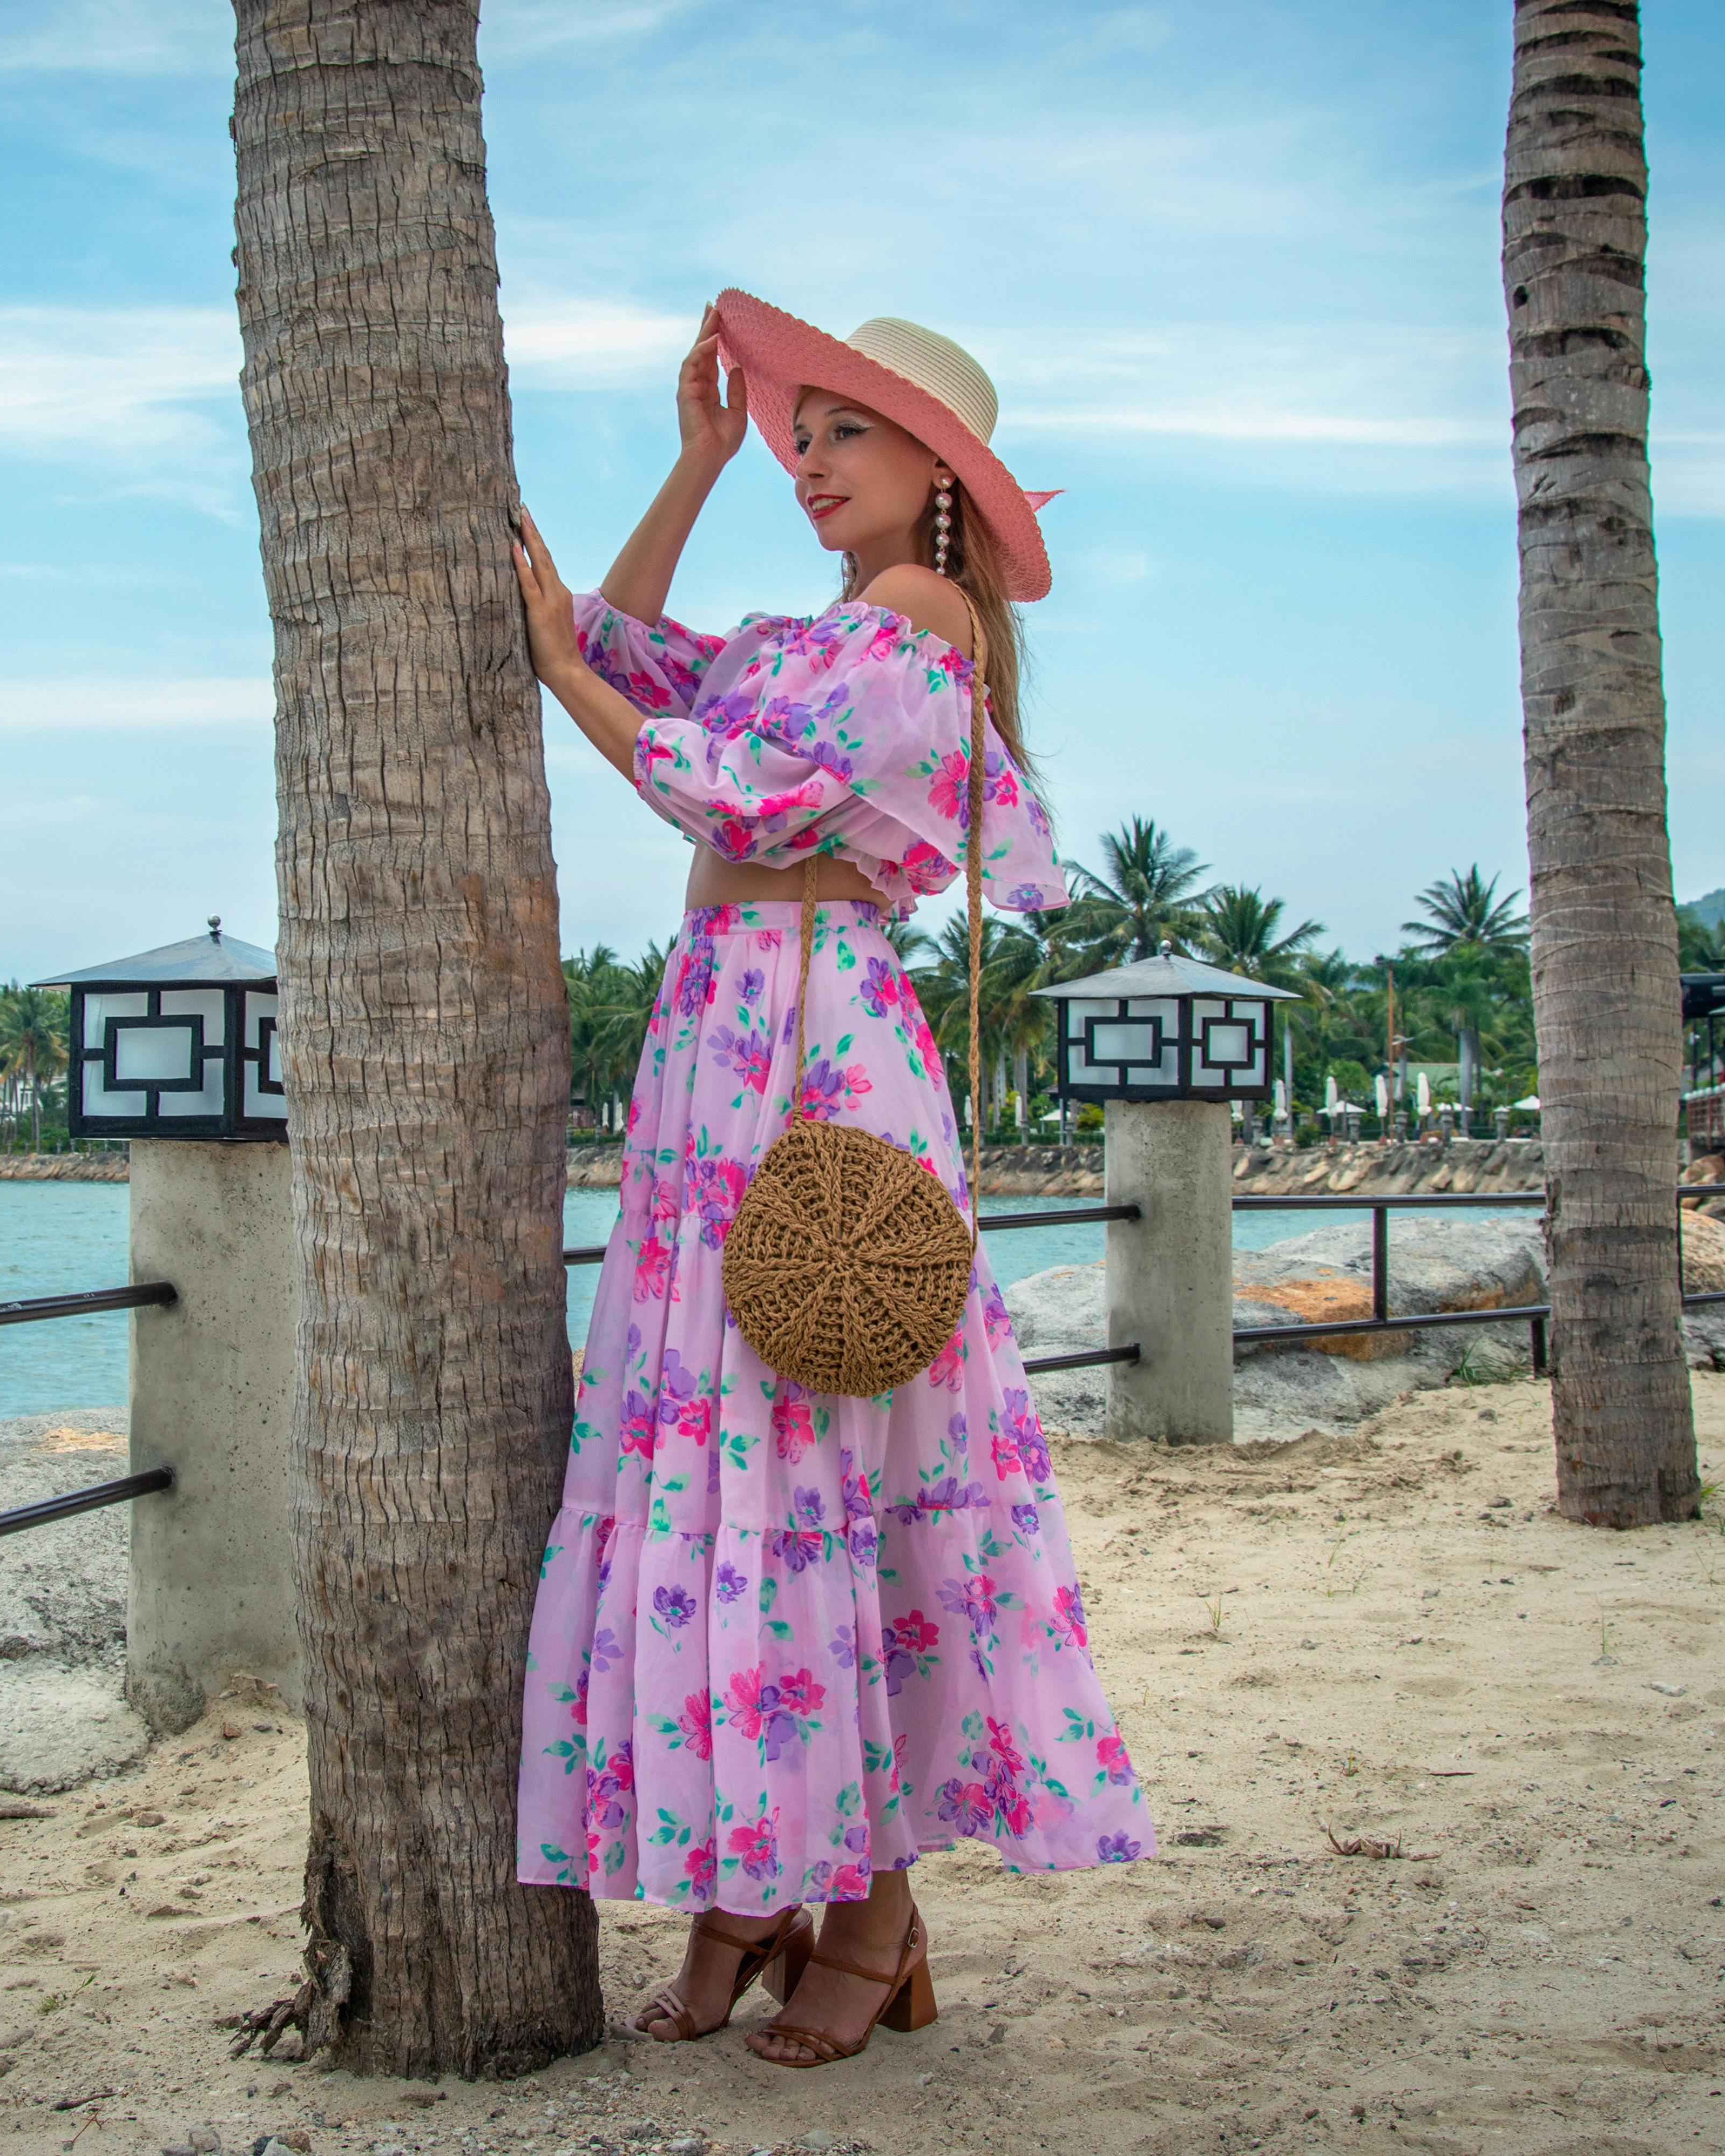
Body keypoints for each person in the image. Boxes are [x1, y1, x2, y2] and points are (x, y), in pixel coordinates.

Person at [508, 291, 1149, 2070]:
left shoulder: (918, 617)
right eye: (797, 439)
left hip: (813, 1039)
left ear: (934, 468)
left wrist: (558, 662)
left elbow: (729, 794)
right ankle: (766, 1882)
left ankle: (860, 1909)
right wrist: (694, 460)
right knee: (746, 1432)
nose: (808, 466)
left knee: (823, 1427)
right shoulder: (825, 623)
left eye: (833, 437)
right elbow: (637, 644)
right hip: (730, 1034)